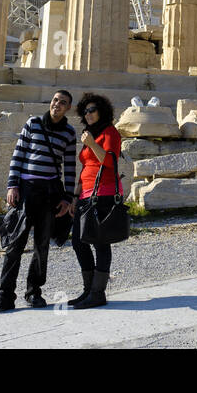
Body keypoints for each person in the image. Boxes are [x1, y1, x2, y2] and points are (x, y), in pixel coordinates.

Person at [0, 89, 76, 313]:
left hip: (50, 192)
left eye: (63, 103)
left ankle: (33, 292)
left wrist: (68, 198)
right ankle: (5, 295)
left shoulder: (69, 133)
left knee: (42, 245)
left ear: (68, 108)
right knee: (15, 245)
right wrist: (12, 186)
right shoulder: (33, 123)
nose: (57, 104)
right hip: (27, 191)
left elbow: (69, 168)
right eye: (55, 100)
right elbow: (18, 155)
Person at [68, 93, 122, 310]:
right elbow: (86, 167)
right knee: (78, 241)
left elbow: (109, 161)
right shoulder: (88, 134)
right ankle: (88, 290)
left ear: (102, 111)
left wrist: (91, 143)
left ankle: (98, 293)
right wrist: (75, 195)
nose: (88, 114)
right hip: (85, 194)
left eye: (92, 110)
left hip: (104, 193)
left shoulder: (110, 132)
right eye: (85, 111)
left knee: (100, 241)